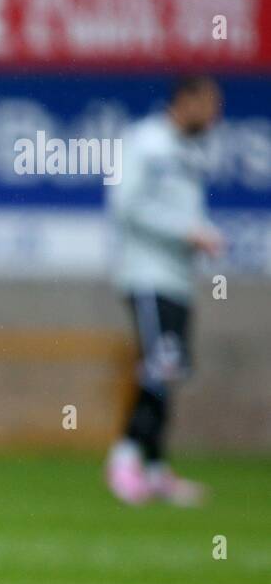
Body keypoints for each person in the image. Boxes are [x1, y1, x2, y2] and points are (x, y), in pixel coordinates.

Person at [105, 75, 224, 507]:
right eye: (210, 105)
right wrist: (187, 232)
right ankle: (123, 459)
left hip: (177, 278)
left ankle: (154, 470)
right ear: (186, 100)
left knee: (167, 369)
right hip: (147, 274)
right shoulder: (145, 142)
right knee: (160, 364)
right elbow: (126, 205)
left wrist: (198, 233)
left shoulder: (188, 149)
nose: (215, 116)